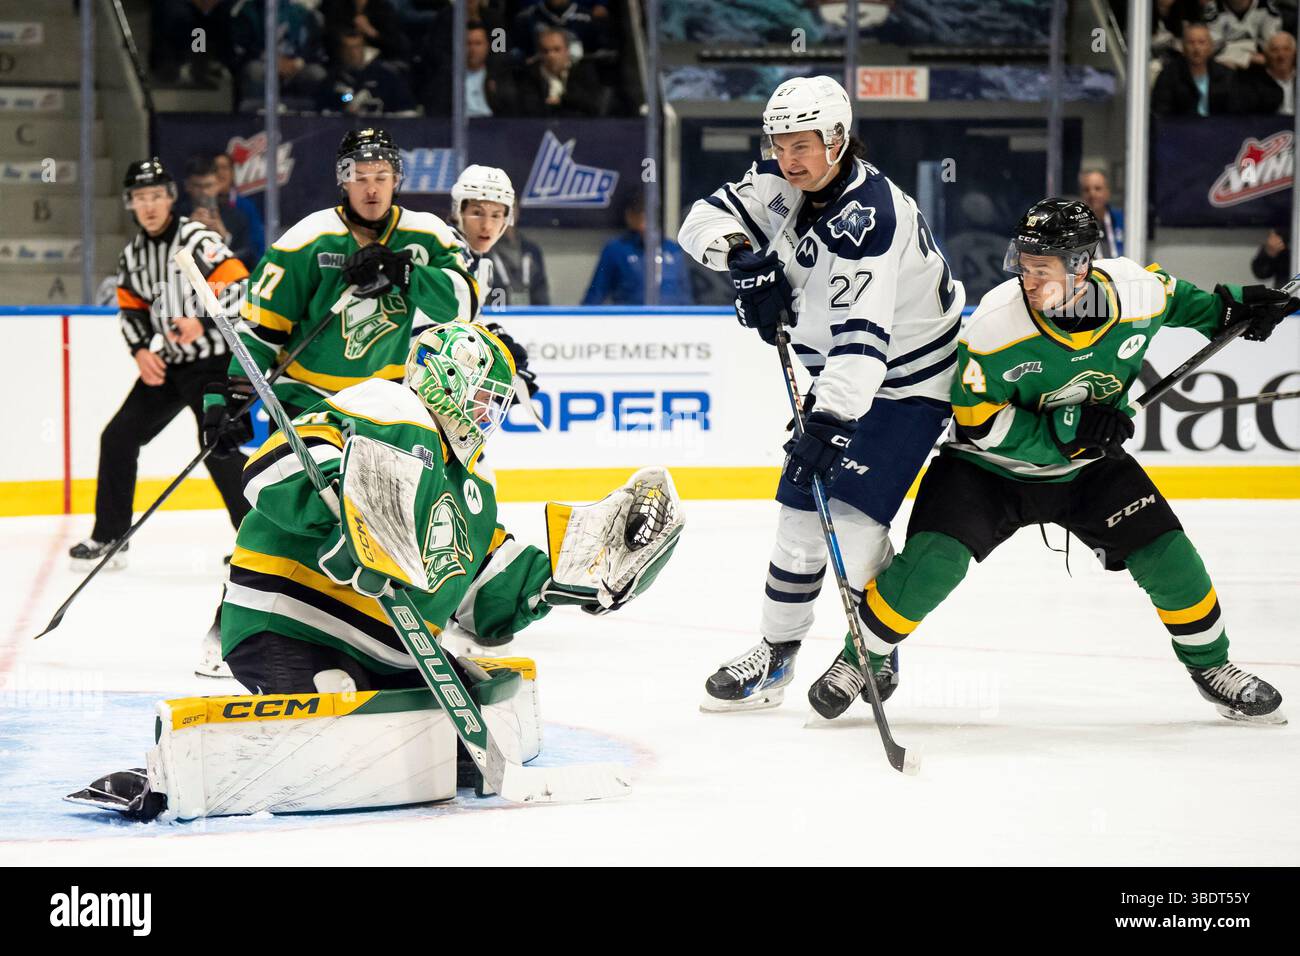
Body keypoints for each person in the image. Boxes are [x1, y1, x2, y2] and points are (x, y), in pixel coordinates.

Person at [69, 322, 681, 821]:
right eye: (486, 398)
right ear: (445, 382)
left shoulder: (475, 483)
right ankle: (166, 776)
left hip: (389, 653)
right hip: (291, 626)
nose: (491, 414)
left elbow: (481, 598)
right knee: (329, 729)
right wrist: (337, 499)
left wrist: (560, 581)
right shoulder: (382, 406)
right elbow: (269, 471)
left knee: (469, 733)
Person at [804, 198, 1290, 724]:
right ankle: (860, 661)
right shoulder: (997, 325)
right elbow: (978, 422)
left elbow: (1186, 303)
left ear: (1081, 266)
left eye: (1042, 269)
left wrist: (1237, 308)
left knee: (1170, 557)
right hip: (985, 470)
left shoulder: (1136, 291)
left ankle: (1212, 666)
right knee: (931, 565)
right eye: (1023, 264)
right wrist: (1068, 432)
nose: (1027, 279)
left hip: (1087, 470)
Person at [678, 75, 966, 712]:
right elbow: (700, 221)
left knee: (853, 527)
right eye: (779, 144)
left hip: (909, 381)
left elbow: (863, 345)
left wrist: (828, 423)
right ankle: (776, 658)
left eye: (802, 145)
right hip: (843, 374)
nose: (788, 159)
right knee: (797, 522)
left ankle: (874, 651)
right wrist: (742, 261)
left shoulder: (870, 219)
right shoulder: (781, 178)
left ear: (838, 139)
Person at [194, 127, 481, 678]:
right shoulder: (308, 238)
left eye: (381, 178)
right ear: (343, 181)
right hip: (308, 400)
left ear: (396, 179)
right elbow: (261, 328)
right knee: (286, 514)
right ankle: (228, 620)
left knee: (394, 517)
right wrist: (226, 395)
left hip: (388, 405)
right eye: (360, 178)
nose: (371, 189)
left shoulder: (424, 234)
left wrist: (402, 269)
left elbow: (463, 301)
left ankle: (393, 626)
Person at [68, 159, 250, 570]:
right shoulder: (133, 255)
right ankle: (110, 536)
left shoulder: (197, 239)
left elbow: (241, 288)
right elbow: (130, 309)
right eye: (139, 198)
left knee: (217, 444)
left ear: (169, 197)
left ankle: (255, 543)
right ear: (131, 203)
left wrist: (199, 318)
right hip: (169, 365)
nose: (148, 205)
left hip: (214, 364)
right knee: (117, 437)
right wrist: (141, 351)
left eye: (155, 196)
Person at [448, 165, 550, 309]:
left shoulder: (529, 251)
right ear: (458, 211)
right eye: (477, 213)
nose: (487, 226)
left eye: (496, 215)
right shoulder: (443, 249)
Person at [585, 192, 693, 306]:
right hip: (630, 320)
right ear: (629, 216)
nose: (644, 221)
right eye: (639, 214)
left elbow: (686, 296)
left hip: (673, 320)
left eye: (648, 214)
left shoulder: (674, 250)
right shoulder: (616, 250)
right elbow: (596, 294)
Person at [422, 20, 519, 118]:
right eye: (468, 43)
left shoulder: (500, 75)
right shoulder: (447, 77)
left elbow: (512, 110)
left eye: (478, 43)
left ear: (487, 47)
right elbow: (436, 112)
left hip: (493, 127)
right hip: (458, 129)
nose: (472, 49)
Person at [178, 154, 255, 269]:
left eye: (208, 185)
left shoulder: (238, 217)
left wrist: (225, 238)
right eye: (198, 186)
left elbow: (250, 260)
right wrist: (186, 229)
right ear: (187, 186)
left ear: (218, 185)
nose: (204, 192)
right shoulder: (176, 216)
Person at [317, 28, 418, 115]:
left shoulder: (385, 76)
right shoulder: (334, 79)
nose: (353, 54)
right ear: (340, 51)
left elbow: (407, 110)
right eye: (348, 49)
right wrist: (348, 98)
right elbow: (323, 110)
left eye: (357, 47)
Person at [515, 27, 606, 118]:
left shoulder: (583, 72)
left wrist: (562, 98)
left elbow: (593, 106)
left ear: (567, 50)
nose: (551, 56)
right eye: (545, 51)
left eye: (557, 49)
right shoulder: (531, 76)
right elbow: (528, 110)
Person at [1152, 22, 1238, 115]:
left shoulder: (1226, 75)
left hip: (1217, 127)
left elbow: (1235, 111)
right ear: (1183, 47)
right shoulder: (1168, 76)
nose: (1196, 48)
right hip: (1180, 128)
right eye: (1191, 43)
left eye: (1202, 42)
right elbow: (1161, 112)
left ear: (1210, 47)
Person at [212, 151, 266, 264]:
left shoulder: (246, 207)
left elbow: (256, 247)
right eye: (215, 168)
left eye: (224, 168)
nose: (220, 173)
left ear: (232, 173)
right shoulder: (202, 205)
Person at [1233, 29, 1295, 112]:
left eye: (1286, 49)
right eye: (1275, 50)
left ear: (1295, 53)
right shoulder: (1253, 83)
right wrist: (1249, 58)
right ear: (1266, 55)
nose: (1281, 55)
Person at [1208, 0, 1282, 68]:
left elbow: (1272, 45)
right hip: (1226, 65)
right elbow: (1214, 50)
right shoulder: (1212, 8)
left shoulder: (1267, 5)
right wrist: (1249, 57)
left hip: (1262, 65)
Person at [1078, 169, 1124, 258]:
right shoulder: (1076, 226)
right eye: (1086, 190)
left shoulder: (1122, 220)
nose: (1092, 194)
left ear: (1107, 192)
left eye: (1097, 188)